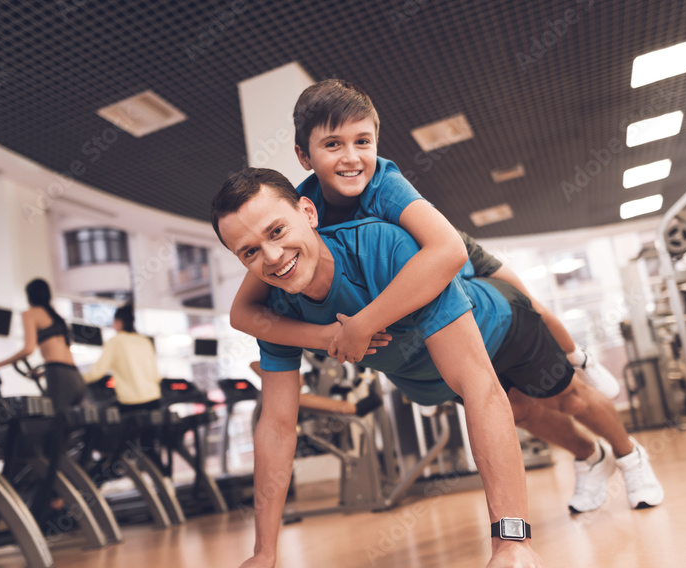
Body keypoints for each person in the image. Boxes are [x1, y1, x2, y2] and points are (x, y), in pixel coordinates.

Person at [231, 79, 634, 512]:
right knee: (518, 409)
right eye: (332, 145)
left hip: (456, 262)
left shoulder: (384, 183)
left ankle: (583, 365)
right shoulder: (297, 213)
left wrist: (364, 323)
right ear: (304, 157)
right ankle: (591, 458)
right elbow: (243, 312)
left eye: (362, 141)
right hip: (435, 308)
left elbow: (447, 250)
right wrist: (326, 336)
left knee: (530, 304)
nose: (350, 157)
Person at [213, 168, 550, 568]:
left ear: (308, 212)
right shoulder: (275, 309)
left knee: (567, 400)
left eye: (277, 231)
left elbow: (480, 387)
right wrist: (263, 554)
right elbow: (277, 426)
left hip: (500, 321)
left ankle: (619, 450)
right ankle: (597, 455)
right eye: (250, 252)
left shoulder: (384, 246)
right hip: (427, 378)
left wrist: (513, 540)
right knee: (532, 413)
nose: (272, 257)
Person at [0, 278, 88, 410]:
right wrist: (41, 373)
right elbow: (62, 355)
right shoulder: (57, 318)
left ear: (29, 296)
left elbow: (28, 349)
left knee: (52, 423)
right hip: (76, 377)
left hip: (59, 376)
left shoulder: (30, 314)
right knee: (71, 425)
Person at [81, 303, 162, 412]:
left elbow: (97, 372)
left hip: (131, 403)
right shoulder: (145, 341)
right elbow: (155, 375)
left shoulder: (115, 341)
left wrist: (78, 379)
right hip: (153, 399)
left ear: (118, 322)